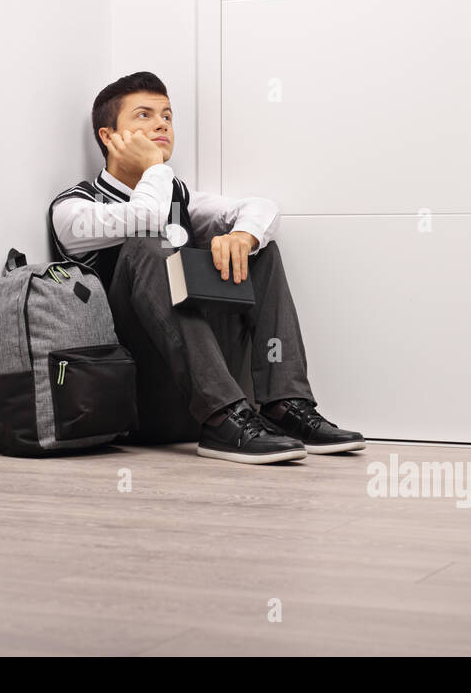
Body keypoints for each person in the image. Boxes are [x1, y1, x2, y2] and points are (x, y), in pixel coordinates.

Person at [47, 71, 365, 465]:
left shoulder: (180, 198)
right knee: (151, 240)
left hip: (203, 392)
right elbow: (147, 217)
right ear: (109, 137)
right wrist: (155, 168)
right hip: (132, 398)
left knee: (258, 247)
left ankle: (285, 405)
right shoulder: (75, 208)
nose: (161, 123)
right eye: (144, 115)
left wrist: (244, 237)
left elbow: (261, 208)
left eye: (167, 114)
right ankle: (221, 418)